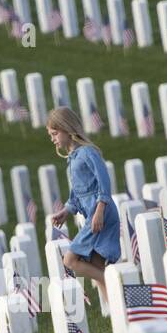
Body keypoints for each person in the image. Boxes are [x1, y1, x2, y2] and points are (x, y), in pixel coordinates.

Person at [47, 107, 120, 307]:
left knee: (70, 260)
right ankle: (119, 313)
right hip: (94, 213)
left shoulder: (87, 153)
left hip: (101, 213)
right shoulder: (73, 159)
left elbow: (103, 181)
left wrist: (99, 210)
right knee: (95, 266)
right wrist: (66, 211)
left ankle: (115, 283)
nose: (53, 139)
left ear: (66, 129)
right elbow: (79, 194)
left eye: (55, 134)